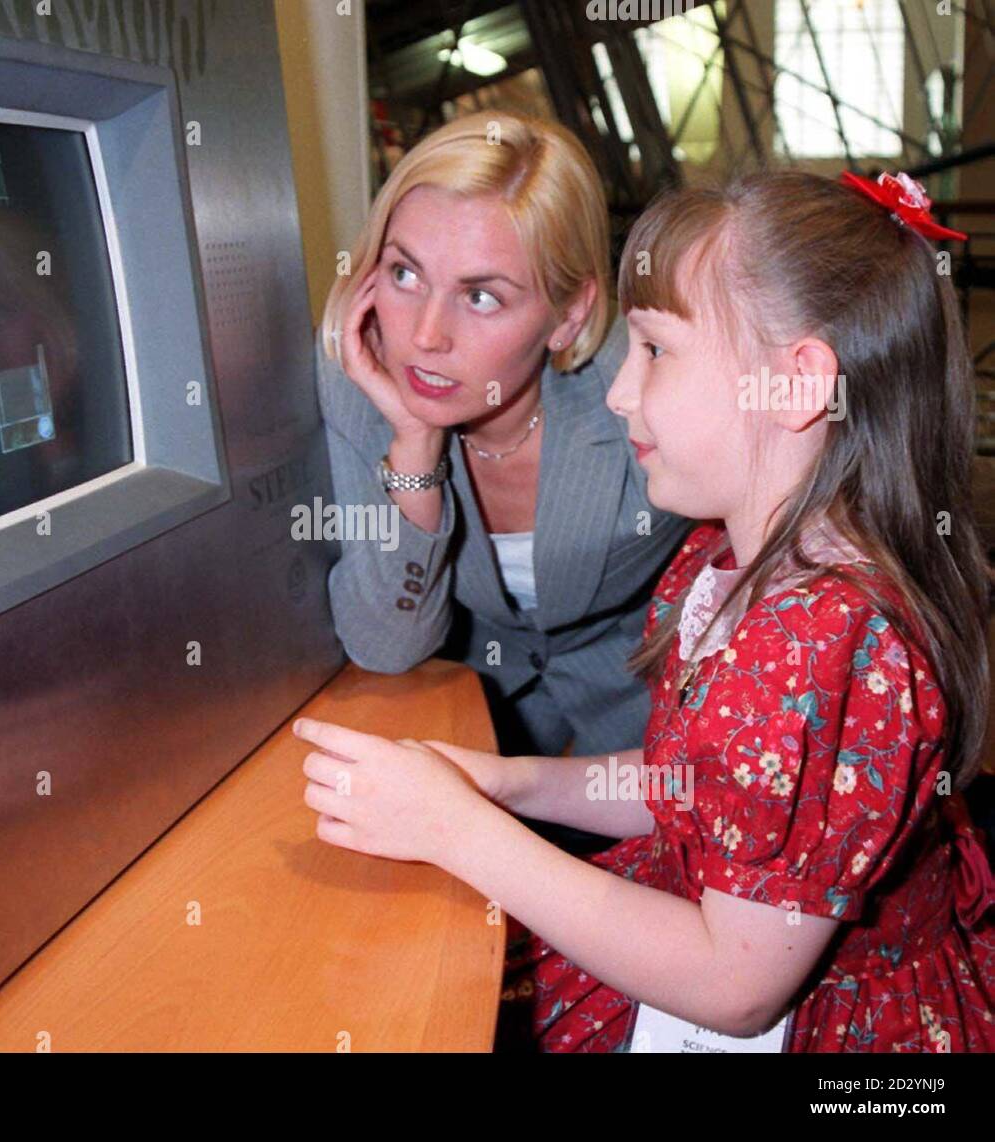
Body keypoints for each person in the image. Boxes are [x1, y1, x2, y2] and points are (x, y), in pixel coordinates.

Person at [295, 168, 995, 1052]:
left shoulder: (825, 643)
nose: (620, 391)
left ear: (795, 386)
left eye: (656, 351)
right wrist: (509, 782)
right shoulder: (734, 558)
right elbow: (693, 791)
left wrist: (458, 830)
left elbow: (736, 987)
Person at [315, 110, 692, 796]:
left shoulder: (645, 391)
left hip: (652, 724)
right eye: (404, 274)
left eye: (482, 295)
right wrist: (415, 446)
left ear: (570, 317)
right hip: (469, 706)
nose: (425, 336)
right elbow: (385, 645)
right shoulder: (359, 375)